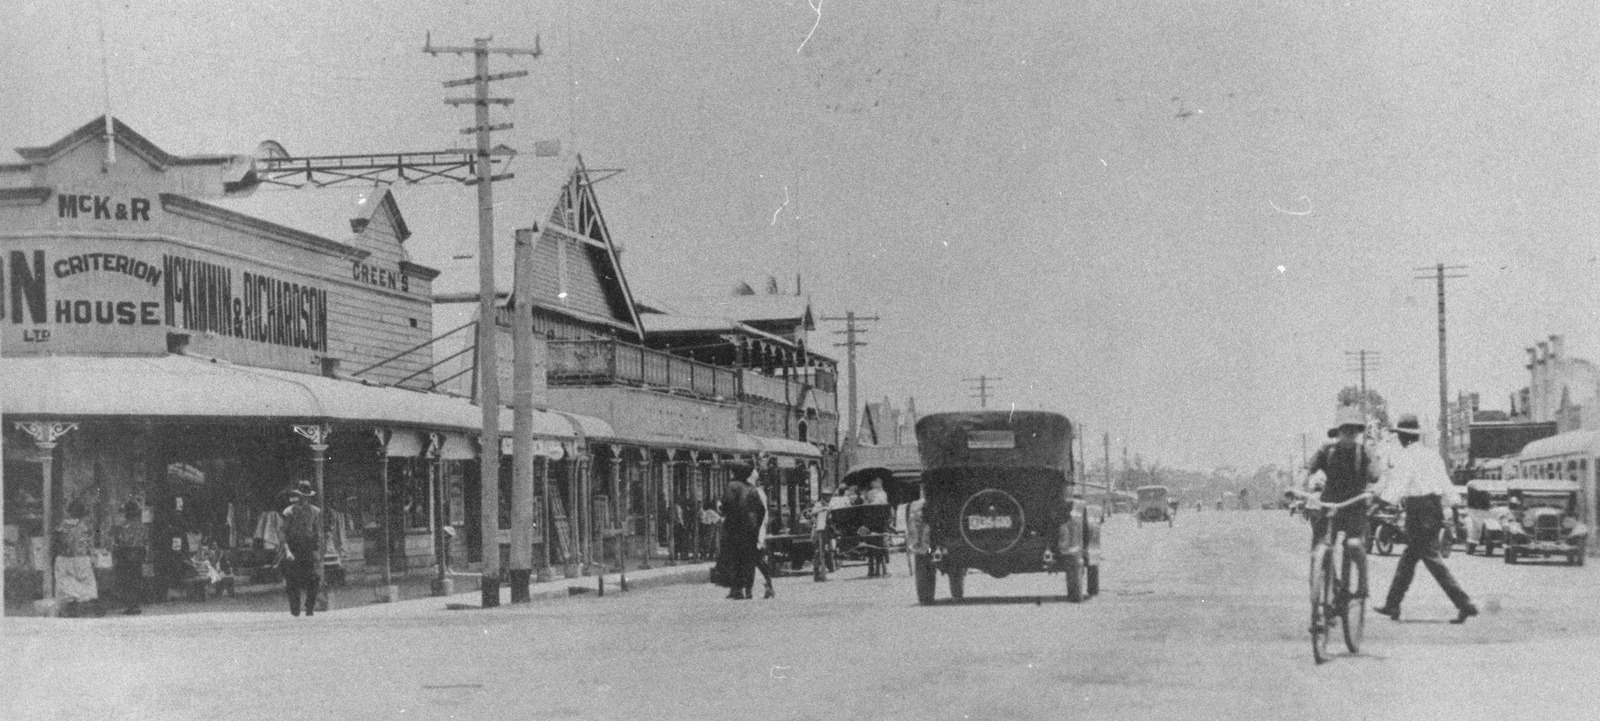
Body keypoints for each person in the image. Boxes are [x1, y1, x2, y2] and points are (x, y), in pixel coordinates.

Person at [1372, 415, 1478, 624]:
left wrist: (1381, 502)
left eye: (1399, 435)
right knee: (1408, 560)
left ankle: (1465, 604)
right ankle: (1392, 604)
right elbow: (1445, 482)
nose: (1398, 439)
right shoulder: (1432, 455)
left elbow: (1398, 487)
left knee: (1431, 560)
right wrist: (1454, 503)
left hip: (1418, 511)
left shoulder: (1406, 457)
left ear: (1403, 436)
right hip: (1433, 508)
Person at [1305, 405, 1380, 599]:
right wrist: (1300, 485)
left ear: (1357, 433)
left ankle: (1363, 586)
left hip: (1354, 506)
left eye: (1353, 430)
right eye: (1345, 429)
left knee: (1354, 545)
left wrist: (1374, 481)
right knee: (1319, 551)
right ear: (1337, 431)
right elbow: (1308, 470)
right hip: (1329, 505)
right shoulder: (1326, 450)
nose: (1349, 433)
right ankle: (1327, 594)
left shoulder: (1363, 452)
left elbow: (1375, 475)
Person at [711, 467, 765, 600]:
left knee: (734, 559)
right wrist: (756, 526)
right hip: (751, 530)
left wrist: (722, 510)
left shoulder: (732, 485)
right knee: (749, 559)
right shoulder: (751, 488)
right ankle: (749, 589)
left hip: (734, 529)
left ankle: (736, 589)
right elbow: (762, 510)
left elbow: (726, 505)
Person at [279, 481, 324, 617]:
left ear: (309, 497)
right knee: (292, 580)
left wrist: (317, 550)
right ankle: (295, 611)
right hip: (293, 548)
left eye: (306, 496)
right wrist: (287, 551)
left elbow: (317, 532)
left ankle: (309, 607)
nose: (304, 499)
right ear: (298, 496)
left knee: (314, 579)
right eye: (301, 496)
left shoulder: (315, 511)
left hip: (308, 547)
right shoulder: (290, 511)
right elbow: (283, 533)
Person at [54, 500, 101, 617]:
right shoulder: (85, 527)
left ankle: (70, 610)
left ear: (69, 512)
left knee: (67, 586)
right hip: (81, 559)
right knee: (85, 585)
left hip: (64, 559)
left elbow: (56, 543)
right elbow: (89, 544)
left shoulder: (61, 526)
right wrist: (93, 557)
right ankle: (85, 610)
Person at [111, 500, 148, 615]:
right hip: (139, 553)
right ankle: (135, 604)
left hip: (126, 554)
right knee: (136, 579)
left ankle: (130, 605)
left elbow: (121, 540)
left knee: (127, 580)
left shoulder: (123, 526)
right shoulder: (141, 526)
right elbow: (145, 540)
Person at [747, 470, 777, 599]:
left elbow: (762, 514)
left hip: (754, 530)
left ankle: (758, 588)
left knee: (755, 559)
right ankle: (758, 588)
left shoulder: (757, 493)